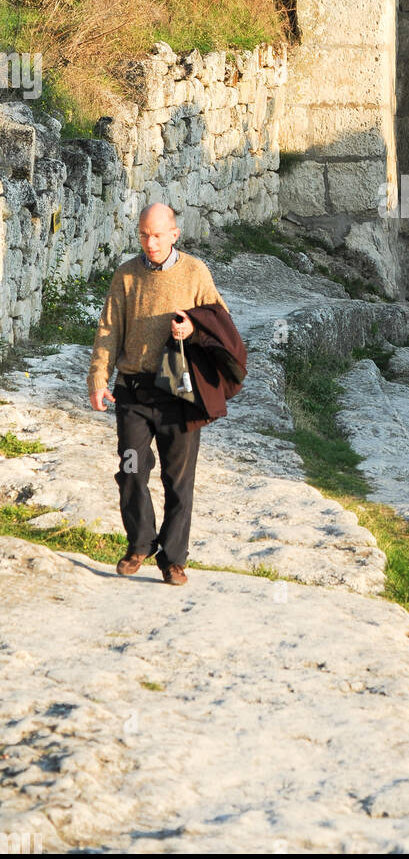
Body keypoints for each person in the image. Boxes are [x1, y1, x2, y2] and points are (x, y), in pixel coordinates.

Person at [87, 202, 229, 586]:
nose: (150, 243)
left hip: (178, 391)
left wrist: (191, 331)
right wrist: (98, 379)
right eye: (143, 235)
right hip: (132, 391)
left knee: (177, 480)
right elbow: (108, 329)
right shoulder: (126, 275)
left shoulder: (196, 272)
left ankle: (173, 560)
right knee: (131, 470)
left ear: (174, 234)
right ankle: (140, 544)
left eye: (157, 235)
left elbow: (220, 323)